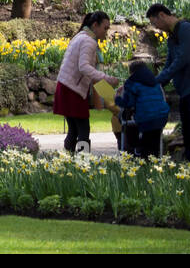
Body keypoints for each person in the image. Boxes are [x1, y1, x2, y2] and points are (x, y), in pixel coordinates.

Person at [146, 3, 190, 162]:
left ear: (162, 15)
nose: (156, 27)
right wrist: (155, 82)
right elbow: (170, 63)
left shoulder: (187, 30)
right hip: (185, 91)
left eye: (155, 22)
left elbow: (182, 59)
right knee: (188, 133)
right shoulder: (172, 36)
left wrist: (161, 80)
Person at [52, 10, 119, 154]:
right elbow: (84, 67)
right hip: (73, 90)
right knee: (83, 129)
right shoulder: (89, 41)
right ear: (95, 25)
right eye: (105, 28)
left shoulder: (80, 36)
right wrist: (107, 79)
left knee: (74, 129)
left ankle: (67, 160)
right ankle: (83, 162)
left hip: (66, 86)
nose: (106, 32)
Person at [116, 59, 169, 159]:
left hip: (146, 118)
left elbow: (128, 104)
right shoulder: (156, 82)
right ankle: (153, 161)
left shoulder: (132, 84)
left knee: (125, 121)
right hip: (162, 117)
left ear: (132, 73)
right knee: (154, 142)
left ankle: (136, 149)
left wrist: (118, 96)